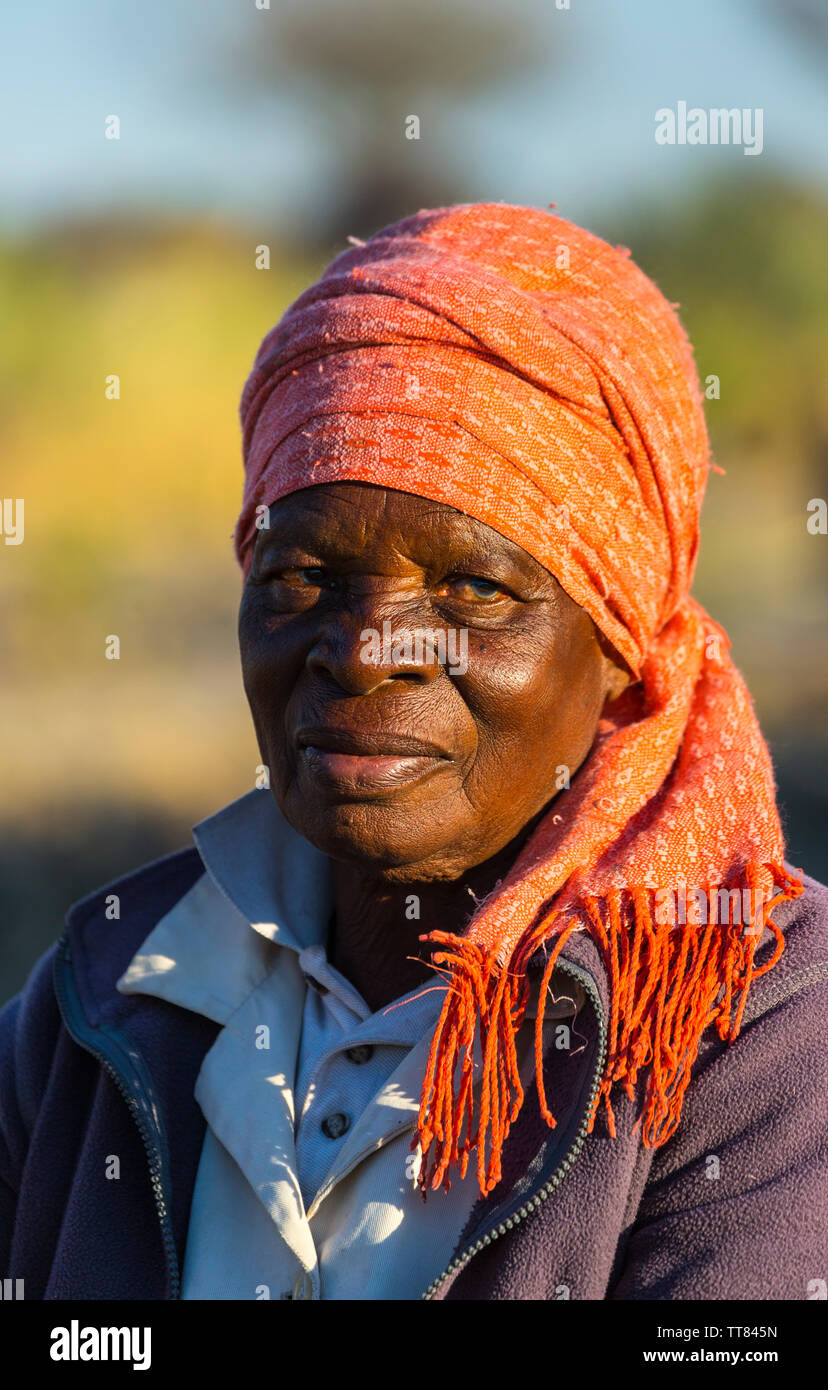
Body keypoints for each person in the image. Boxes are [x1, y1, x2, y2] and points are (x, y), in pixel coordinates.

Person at [1, 202, 826, 1301]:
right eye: (302, 577)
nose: (362, 653)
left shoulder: (756, 1023)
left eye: (475, 589)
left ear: (618, 646)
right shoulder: (104, 1000)